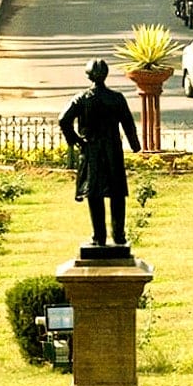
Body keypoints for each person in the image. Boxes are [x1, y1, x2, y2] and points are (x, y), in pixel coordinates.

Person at [58, 60, 142, 248]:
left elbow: (63, 119)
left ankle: (99, 236)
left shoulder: (82, 98)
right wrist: (135, 146)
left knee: (94, 193)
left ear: (88, 76)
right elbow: (128, 124)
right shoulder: (116, 98)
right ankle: (119, 236)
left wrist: (77, 140)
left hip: (92, 151)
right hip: (113, 150)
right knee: (117, 193)